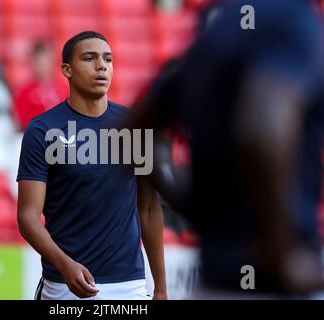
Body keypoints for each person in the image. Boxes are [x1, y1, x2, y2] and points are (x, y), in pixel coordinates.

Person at [128, 0, 324, 298]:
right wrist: (281, 253)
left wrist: (196, 209)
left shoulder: (218, 29)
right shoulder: (291, 21)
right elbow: (262, 130)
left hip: (216, 283)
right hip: (274, 285)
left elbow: (134, 130)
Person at [16, 31, 167, 300]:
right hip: (64, 287)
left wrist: (161, 288)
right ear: (67, 70)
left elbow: (150, 210)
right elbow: (28, 216)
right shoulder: (43, 130)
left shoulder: (135, 127)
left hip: (129, 287)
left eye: (108, 59)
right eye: (90, 58)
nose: (101, 66)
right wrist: (64, 265)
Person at [13, 41, 68, 131]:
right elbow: (21, 122)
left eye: (47, 63)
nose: (44, 67)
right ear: (33, 64)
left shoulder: (65, 90)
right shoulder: (24, 93)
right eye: (40, 64)